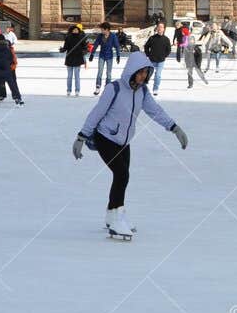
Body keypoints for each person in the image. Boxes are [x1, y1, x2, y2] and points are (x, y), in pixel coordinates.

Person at [72, 51, 190, 240]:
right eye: (140, 72)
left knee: (122, 177)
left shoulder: (142, 92)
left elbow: (155, 111)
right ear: (132, 71)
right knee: (122, 175)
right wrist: (81, 137)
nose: (143, 76)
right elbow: (97, 112)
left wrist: (174, 128)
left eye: (146, 73)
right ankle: (117, 218)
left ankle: (112, 215)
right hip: (105, 138)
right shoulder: (114, 89)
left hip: (124, 141)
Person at [0, 32, 24, 105]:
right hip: (6, 70)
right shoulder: (8, 49)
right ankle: (17, 97)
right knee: (12, 84)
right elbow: (11, 59)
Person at [143, 23, 172, 93]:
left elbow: (168, 49)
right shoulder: (152, 38)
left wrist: (164, 56)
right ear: (157, 28)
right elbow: (146, 46)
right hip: (152, 60)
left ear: (163, 29)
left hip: (161, 61)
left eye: (161, 27)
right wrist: (148, 54)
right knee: (147, 75)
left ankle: (155, 89)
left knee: (158, 75)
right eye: (159, 27)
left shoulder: (166, 39)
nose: (160, 28)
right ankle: (143, 87)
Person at [62, 23, 88, 97]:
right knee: (69, 76)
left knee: (77, 76)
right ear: (71, 30)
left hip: (78, 58)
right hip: (70, 58)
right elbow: (65, 47)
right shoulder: (68, 37)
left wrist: (85, 50)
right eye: (74, 30)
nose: (76, 31)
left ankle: (77, 90)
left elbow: (85, 47)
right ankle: (68, 90)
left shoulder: (81, 38)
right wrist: (62, 50)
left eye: (77, 30)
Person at [93, 23, 120, 93]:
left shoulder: (113, 36)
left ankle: (107, 87)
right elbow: (95, 45)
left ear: (107, 29)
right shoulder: (100, 36)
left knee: (108, 73)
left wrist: (118, 56)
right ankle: (98, 86)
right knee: (100, 71)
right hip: (102, 56)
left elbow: (117, 46)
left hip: (109, 56)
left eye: (102, 30)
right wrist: (92, 54)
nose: (101, 31)